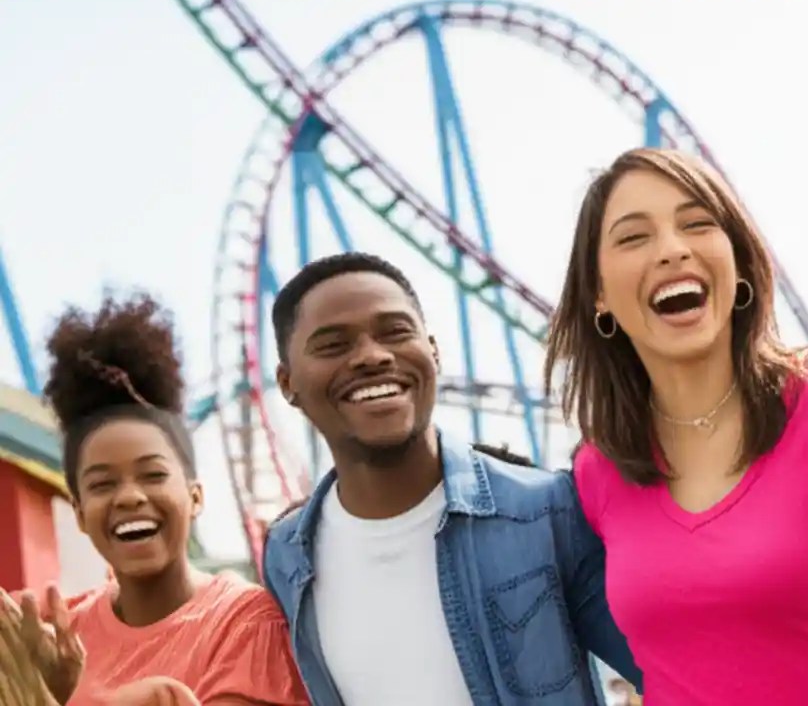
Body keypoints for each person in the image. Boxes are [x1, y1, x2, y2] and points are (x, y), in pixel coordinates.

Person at [541, 147, 808, 704]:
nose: (673, 249)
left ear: (739, 260)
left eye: (697, 224)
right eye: (633, 237)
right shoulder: (597, 472)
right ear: (598, 294)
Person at [260, 252, 640, 705]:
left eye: (395, 332)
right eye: (333, 345)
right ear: (287, 383)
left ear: (433, 351)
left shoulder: (546, 512)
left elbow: (677, 668)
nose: (372, 356)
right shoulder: (286, 556)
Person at [0, 293, 307, 706]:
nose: (129, 496)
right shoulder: (52, 632)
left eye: (153, 475)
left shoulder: (245, 624)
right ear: (80, 514)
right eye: (102, 484)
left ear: (194, 496)